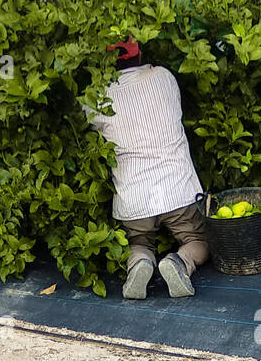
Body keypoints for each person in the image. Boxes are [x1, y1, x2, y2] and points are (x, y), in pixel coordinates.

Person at [86, 39, 208, 299]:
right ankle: (180, 262)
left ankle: (140, 265)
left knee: (139, 243)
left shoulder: (95, 97)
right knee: (200, 240)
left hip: (133, 199)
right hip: (178, 192)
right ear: (139, 51)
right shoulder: (164, 77)